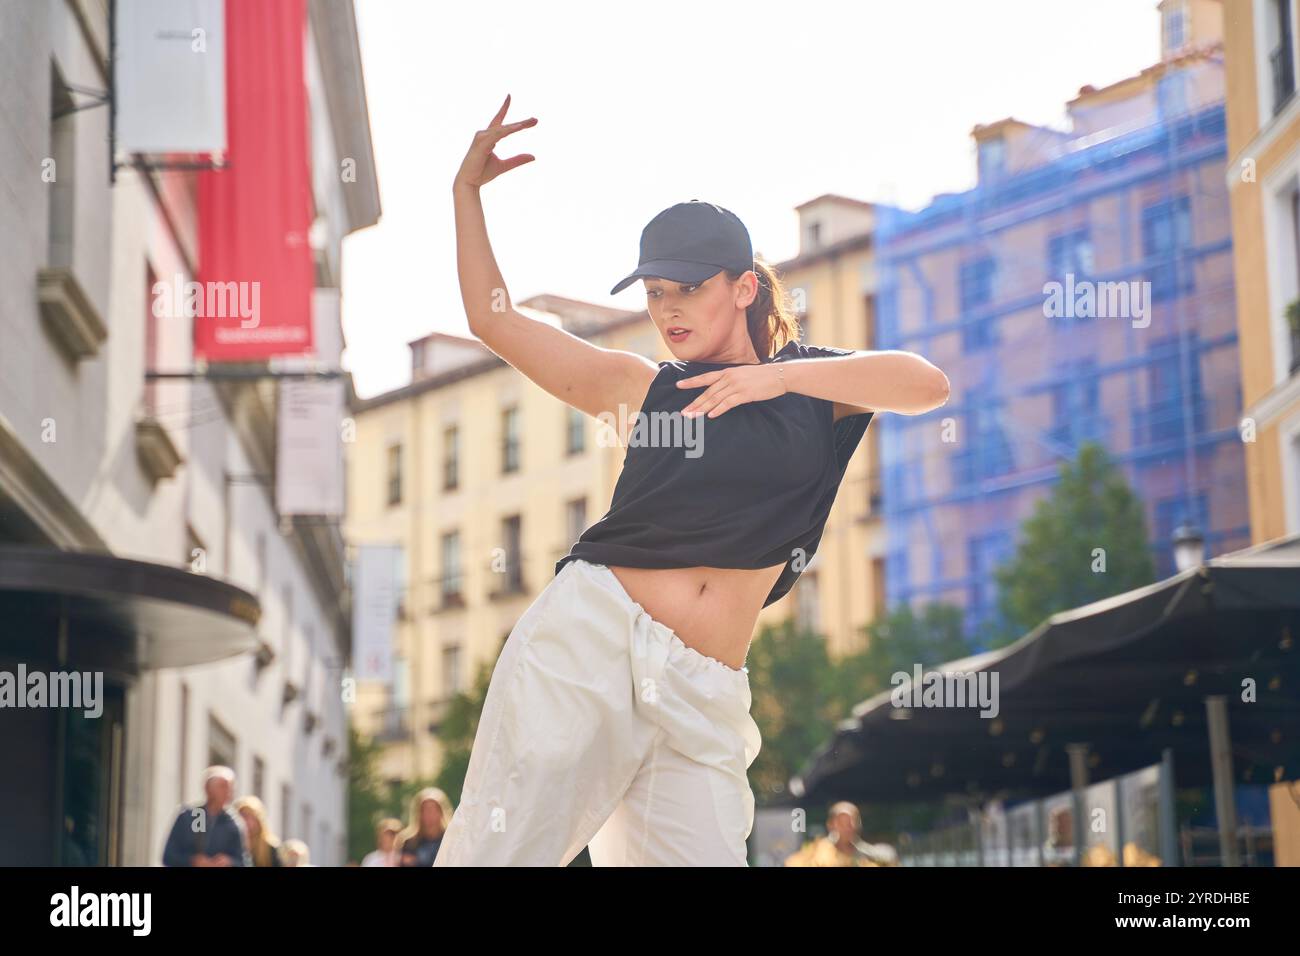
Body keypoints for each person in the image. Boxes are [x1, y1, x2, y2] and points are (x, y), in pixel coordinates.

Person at [436, 96, 949, 867]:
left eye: (688, 288)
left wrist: (779, 382)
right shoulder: (642, 389)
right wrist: (465, 195)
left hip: (704, 691)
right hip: (589, 649)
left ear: (744, 287)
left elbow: (927, 383)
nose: (667, 309)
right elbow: (495, 320)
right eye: (654, 293)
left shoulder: (813, 392)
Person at [161, 766, 251, 867]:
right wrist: (192, 861)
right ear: (208, 789)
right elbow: (168, 856)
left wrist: (229, 862)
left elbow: (244, 862)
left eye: (230, 787)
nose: (228, 792)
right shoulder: (189, 817)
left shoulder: (233, 824)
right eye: (223, 786)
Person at [784, 802, 899, 867]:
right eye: (842, 823)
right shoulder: (817, 853)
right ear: (831, 825)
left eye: (852, 822)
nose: (848, 827)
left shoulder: (872, 856)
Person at [396, 789, 451, 867]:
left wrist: (416, 861)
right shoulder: (409, 843)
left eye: (433, 809)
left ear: (441, 812)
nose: (429, 814)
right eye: (425, 810)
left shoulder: (450, 839)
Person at [232, 795, 283, 867]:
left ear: (258, 820)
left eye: (249, 816)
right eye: (242, 815)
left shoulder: (270, 849)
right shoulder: (229, 843)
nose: (245, 821)